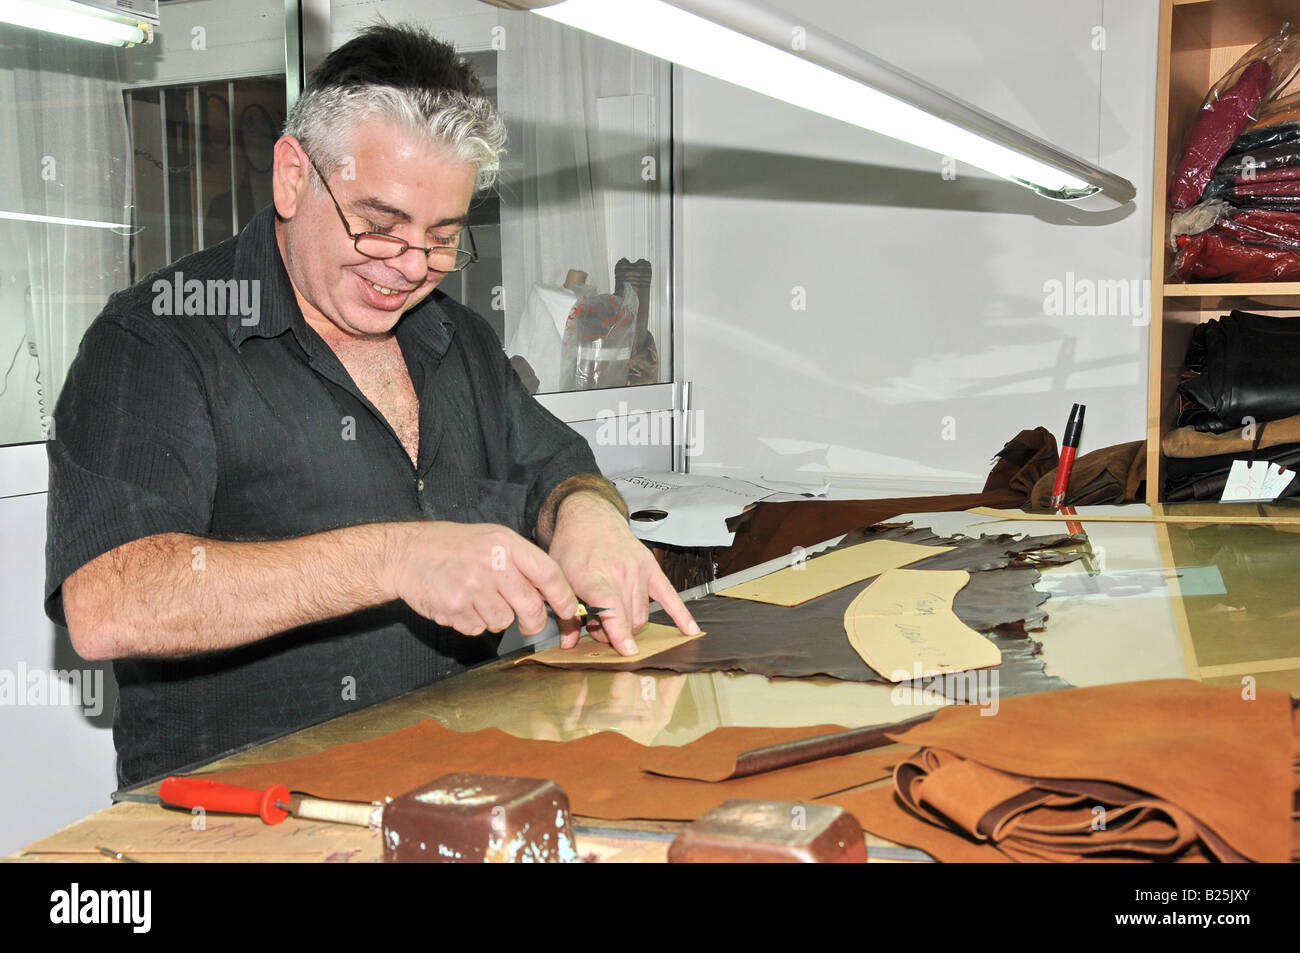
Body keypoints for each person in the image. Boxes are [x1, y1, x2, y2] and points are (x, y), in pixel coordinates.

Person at [44, 23, 697, 787]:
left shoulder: (458, 342)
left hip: (454, 792)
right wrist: (398, 558)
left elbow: (558, 468)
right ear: (293, 177)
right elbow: (111, 601)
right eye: (379, 228)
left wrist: (592, 518)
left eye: (443, 238)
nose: (411, 269)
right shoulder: (159, 338)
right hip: (242, 826)